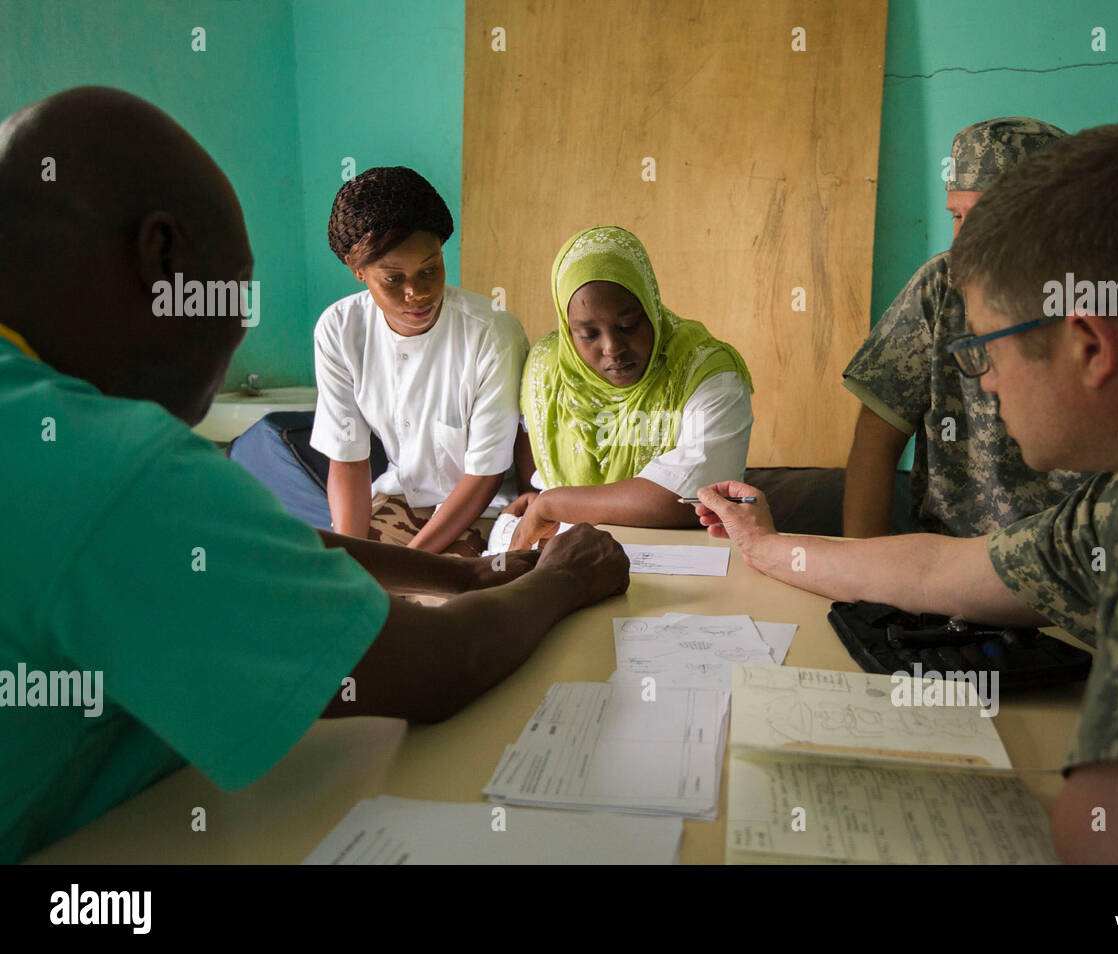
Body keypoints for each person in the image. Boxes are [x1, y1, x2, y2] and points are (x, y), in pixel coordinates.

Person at [0, 87, 628, 864]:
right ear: (164, 261)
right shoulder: (113, 466)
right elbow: (432, 667)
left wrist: (461, 576)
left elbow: (292, 550)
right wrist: (561, 578)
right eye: (238, 289)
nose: (238, 333)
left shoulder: (41, 423)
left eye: (429, 270)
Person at [693, 121, 1118, 864]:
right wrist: (765, 544)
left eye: (983, 348)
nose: (980, 380)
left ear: (1089, 345)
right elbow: (947, 571)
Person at [237, 166, 529, 557]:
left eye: (430, 269)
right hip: (400, 497)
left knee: (430, 602)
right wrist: (352, 561)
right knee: (329, 593)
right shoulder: (340, 330)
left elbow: (485, 474)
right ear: (358, 271)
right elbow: (349, 460)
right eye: (393, 279)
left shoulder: (491, 332)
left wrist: (404, 563)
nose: (417, 293)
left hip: (484, 509)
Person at [842, 118, 1090, 540]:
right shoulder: (942, 287)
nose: (965, 244)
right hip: (948, 571)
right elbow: (876, 438)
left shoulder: (1113, 302)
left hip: (1081, 574)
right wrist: (861, 591)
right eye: (957, 216)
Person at [506, 226, 754, 549]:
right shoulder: (549, 369)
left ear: (651, 307)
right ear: (568, 333)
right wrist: (539, 501)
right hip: (568, 563)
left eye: (628, 325)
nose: (612, 348)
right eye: (588, 334)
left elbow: (692, 499)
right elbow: (534, 472)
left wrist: (553, 505)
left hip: (683, 570)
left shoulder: (707, 373)